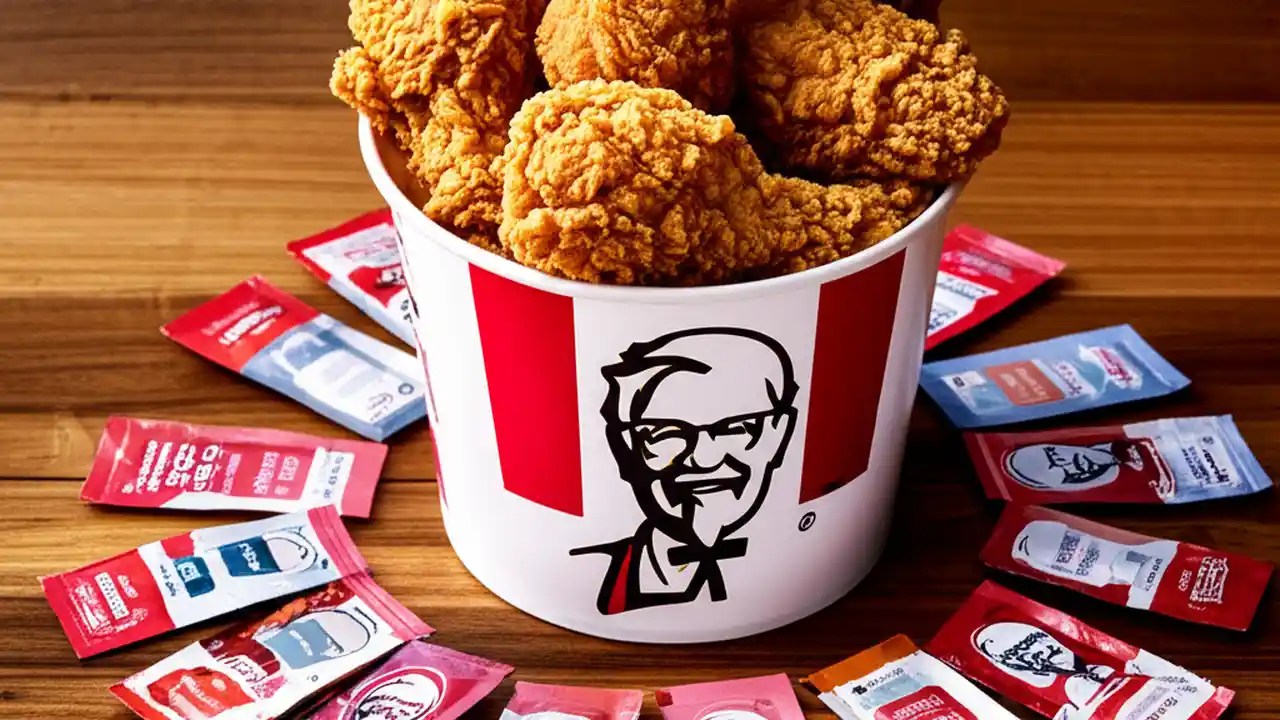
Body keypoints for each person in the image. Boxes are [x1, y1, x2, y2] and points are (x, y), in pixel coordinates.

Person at [572, 328, 798, 615]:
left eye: (737, 428)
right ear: (624, 449)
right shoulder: (574, 575)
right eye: (667, 434)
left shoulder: (814, 559)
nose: (705, 460)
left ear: (780, 435)